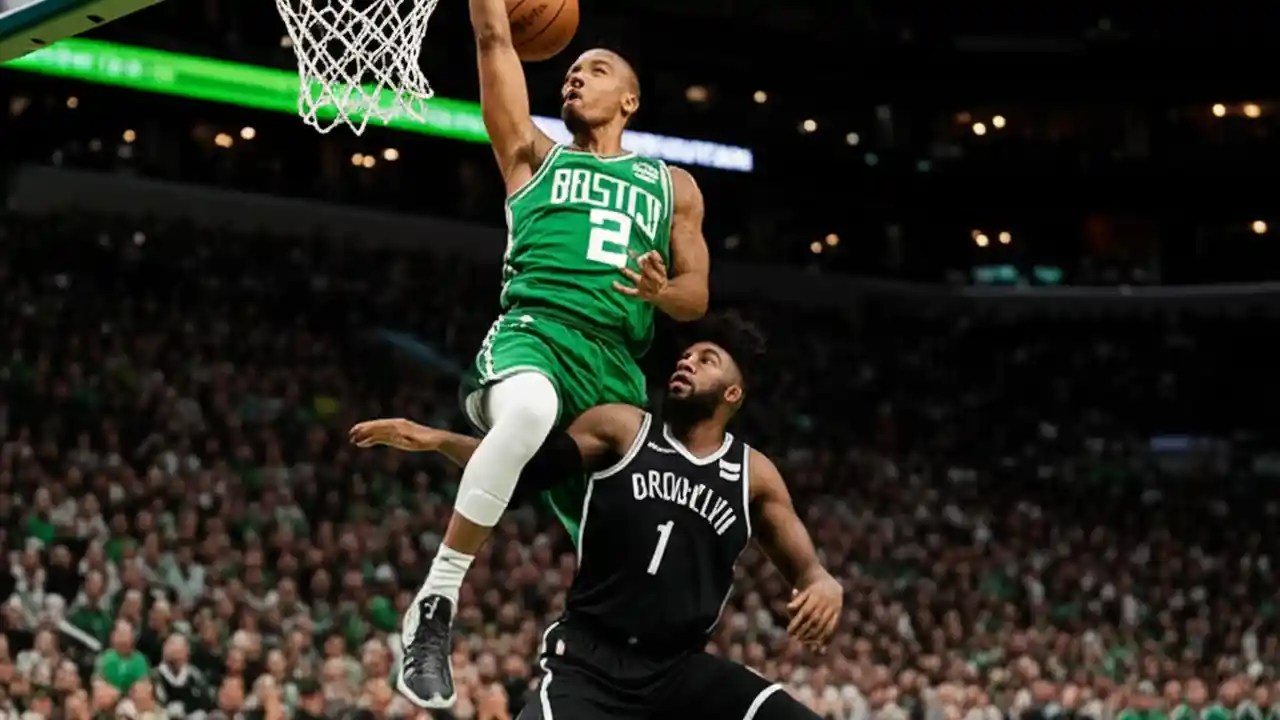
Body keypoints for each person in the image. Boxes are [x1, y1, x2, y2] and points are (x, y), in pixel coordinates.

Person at [394, 0, 713, 709]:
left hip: (616, 376)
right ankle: (436, 603)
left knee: (630, 552)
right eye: (568, 71)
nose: (574, 79)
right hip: (534, 333)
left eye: (593, 70)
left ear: (628, 99)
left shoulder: (673, 187)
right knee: (531, 407)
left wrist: (663, 293)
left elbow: (697, 296)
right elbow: (492, 33)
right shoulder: (531, 154)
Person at [352, 313, 841, 719]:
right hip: (588, 664)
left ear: (732, 394)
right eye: (686, 355)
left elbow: (810, 572)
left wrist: (825, 585)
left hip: (678, 673)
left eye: (706, 360)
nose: (687, 363)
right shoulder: (623, 429)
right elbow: (523, 470)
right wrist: (439, 440)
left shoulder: (753, 474)